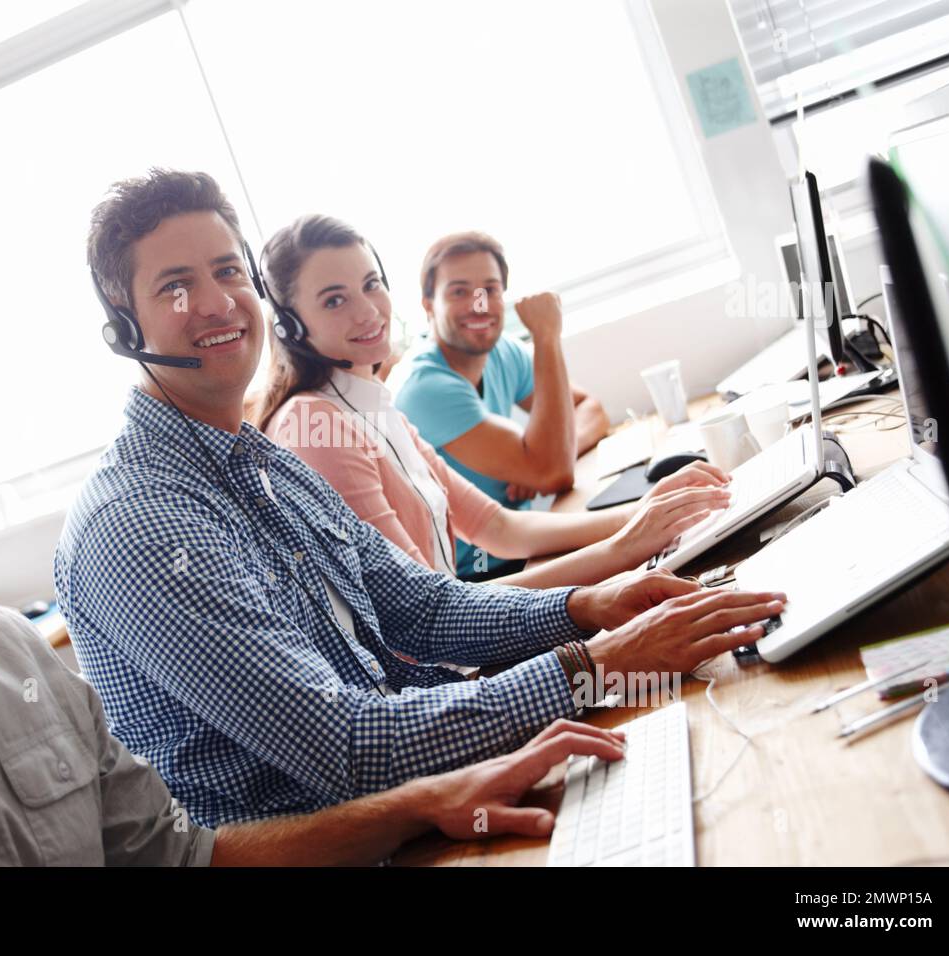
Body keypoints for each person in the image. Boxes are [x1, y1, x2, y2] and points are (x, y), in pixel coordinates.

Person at [0, 267, 631, 866]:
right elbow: (343, 743)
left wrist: (424, 805)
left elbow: (174, 859)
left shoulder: (11, 661)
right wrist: (592, 653)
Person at [54, 168, 786, 829]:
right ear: (124, 325)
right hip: (366, 831)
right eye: (176, 286)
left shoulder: (261, 460)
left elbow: (426, 606)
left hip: (425, 789)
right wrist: (595, 663)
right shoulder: (140, 524)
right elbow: (344, 743)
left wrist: (588, 608)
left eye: (226, 272)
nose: (216, 303)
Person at [251, 214, 729, 588]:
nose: (368, 310)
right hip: (442, 679)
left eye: (371, 284)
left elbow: (496, 526)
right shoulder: (314, 425)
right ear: (290, 324)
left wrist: (646, 510)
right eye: (334, 300)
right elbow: (431, 609)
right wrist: (622, 549)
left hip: (466, 637)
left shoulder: (371, 403)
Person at [392, 231, 609, 580]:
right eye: (459, 291)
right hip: (478, 576)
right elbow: (554, 472)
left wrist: (537, 462)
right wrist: (546, 336)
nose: (479, 304)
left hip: (527, 540)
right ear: (428, 304)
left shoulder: (501, 351)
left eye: (489, 290)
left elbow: (590, 409)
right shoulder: (424, 387)